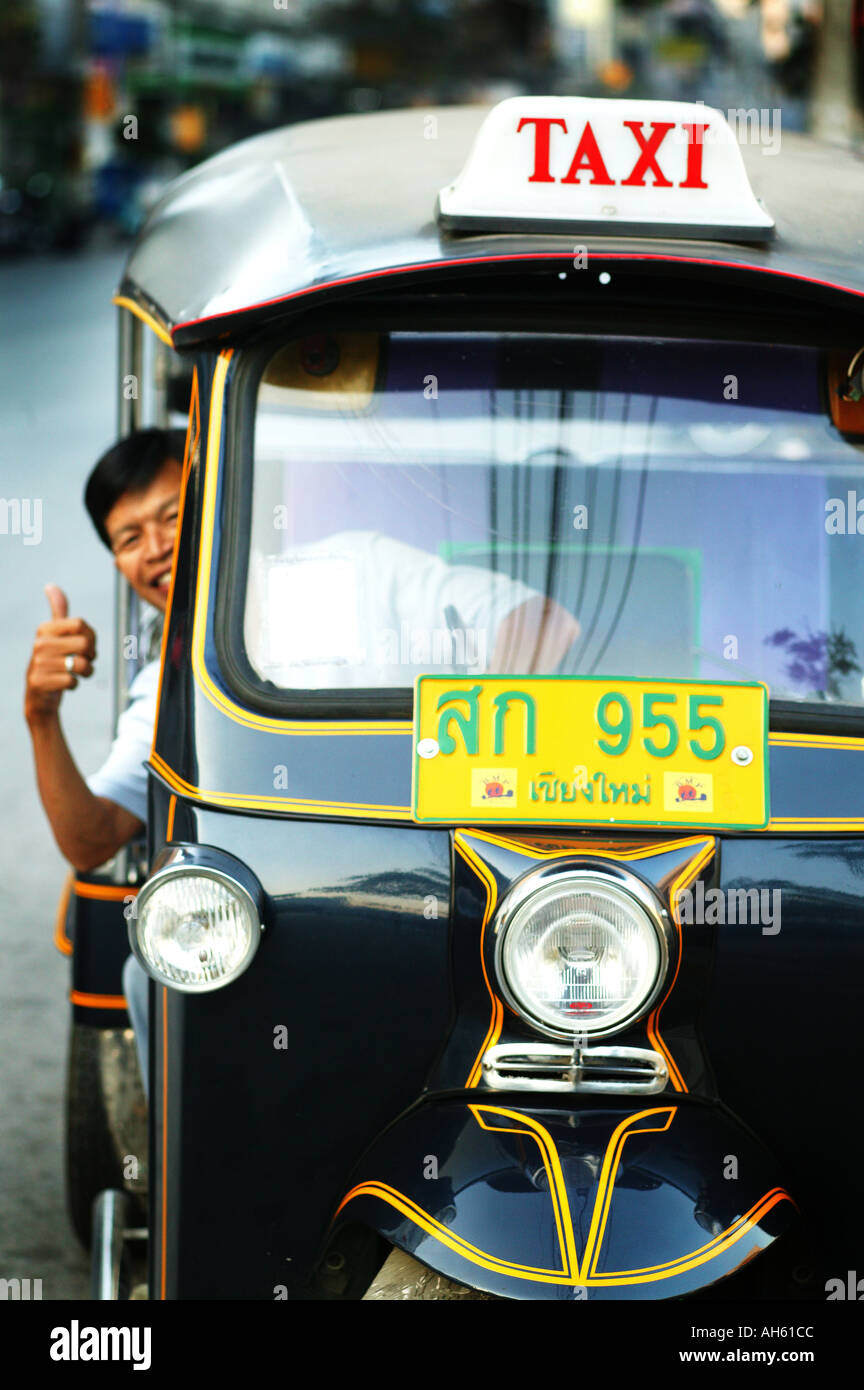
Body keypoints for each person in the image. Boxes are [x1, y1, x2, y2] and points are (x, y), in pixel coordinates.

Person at [25, 427, 186, 1090]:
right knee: (147, 979)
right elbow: (90, 840)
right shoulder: (168, 674)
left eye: (174, 515)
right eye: (128, 538)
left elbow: (533, 622)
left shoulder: (354, 574)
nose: (156, 548)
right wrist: (40, 714)